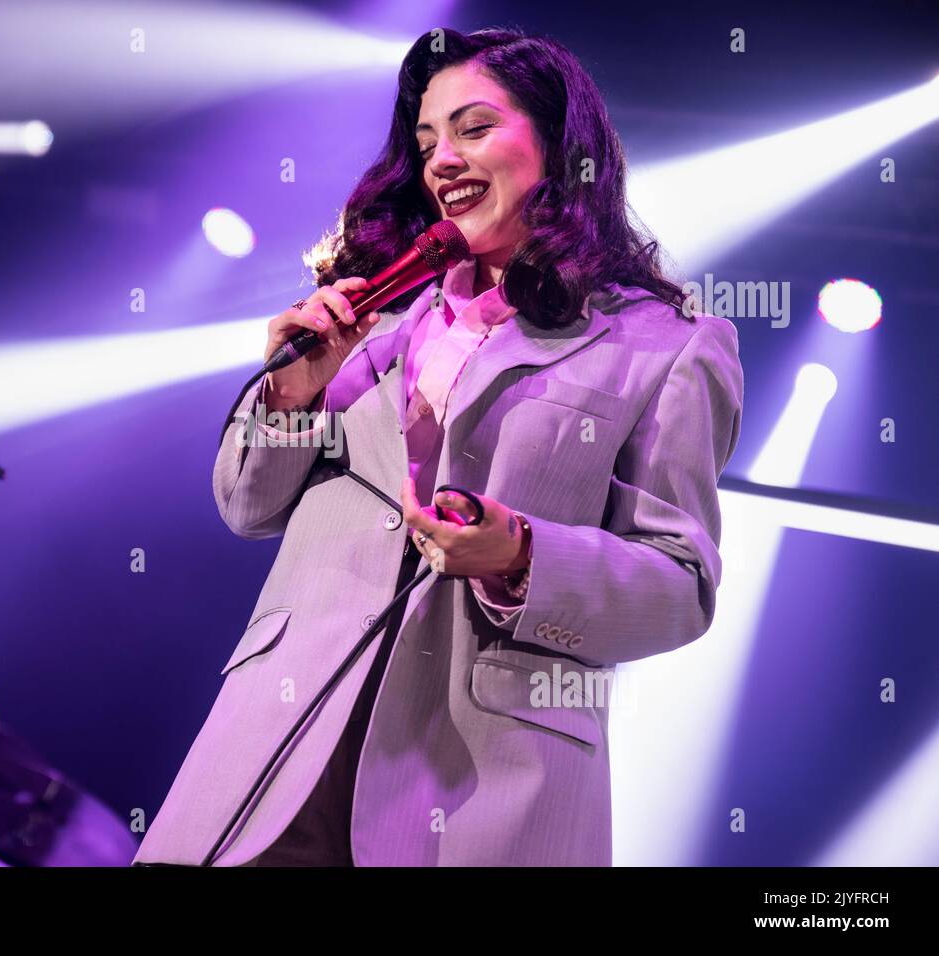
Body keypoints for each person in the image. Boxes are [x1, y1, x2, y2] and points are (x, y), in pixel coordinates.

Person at [133, 27, 743, 867]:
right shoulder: (373, 320)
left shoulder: (664, 344)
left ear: (560, 145)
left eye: (473, 128)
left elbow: (679, 585)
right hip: (274, 752)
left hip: (474, 788)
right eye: (426, 142)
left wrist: (522, 555)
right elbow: (247, 505)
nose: (441, 160)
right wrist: (292, 391)